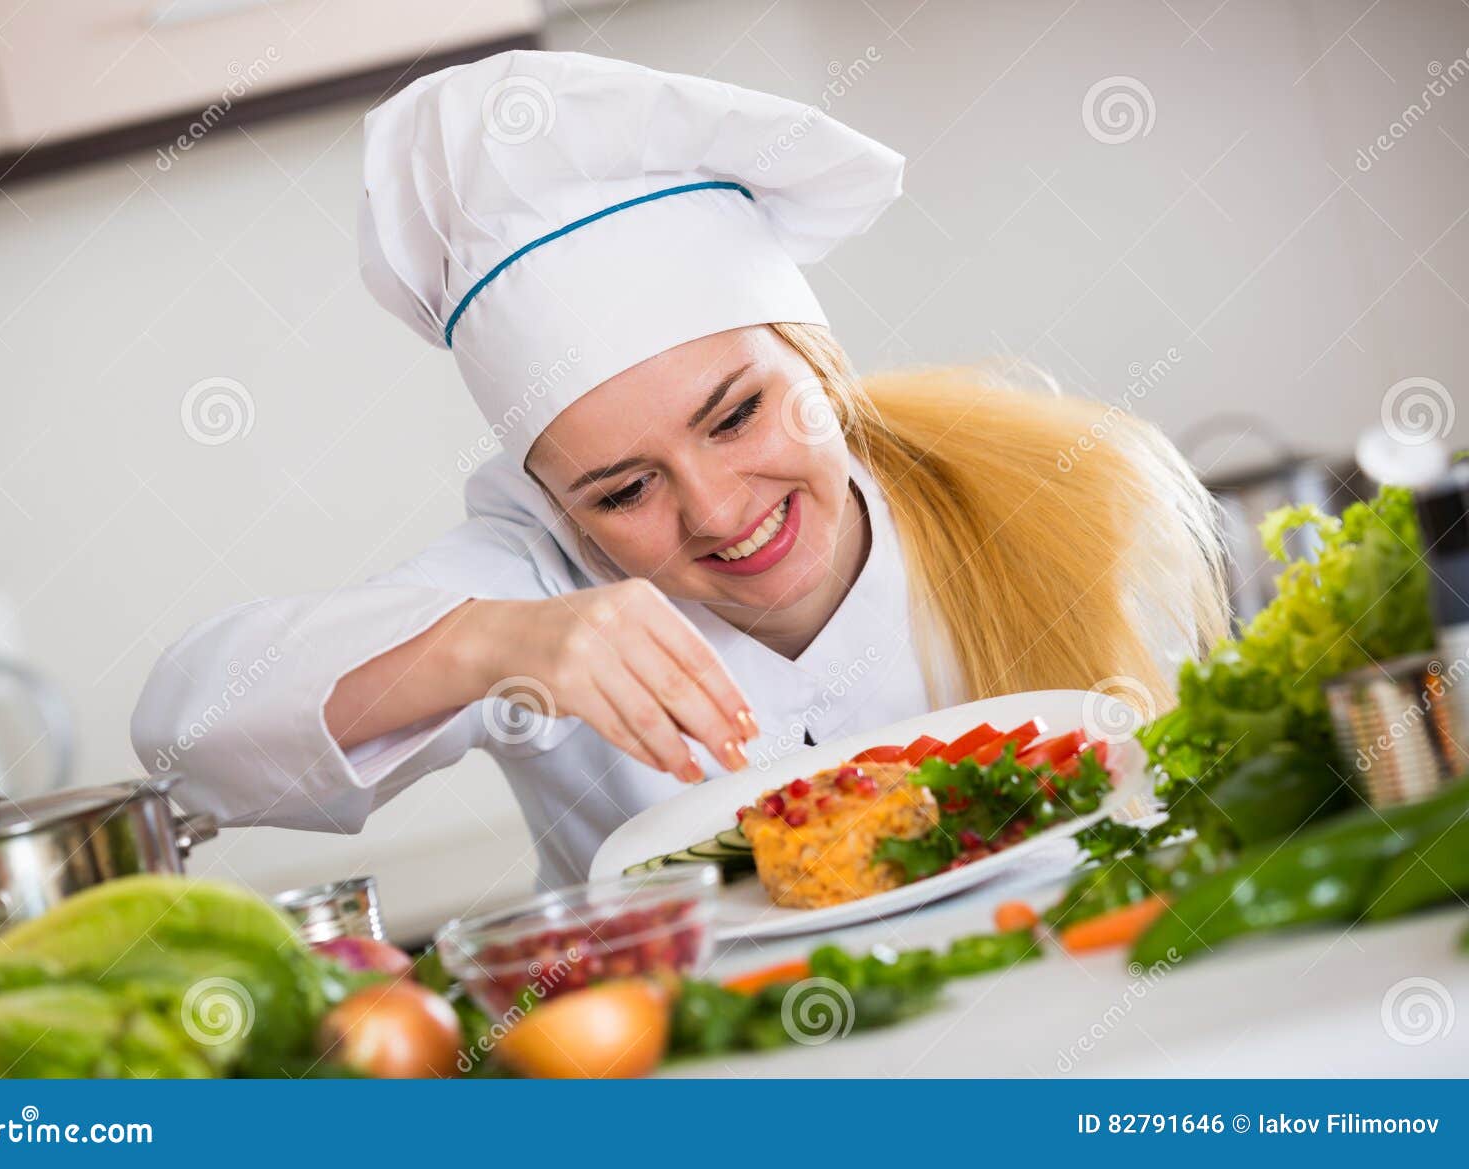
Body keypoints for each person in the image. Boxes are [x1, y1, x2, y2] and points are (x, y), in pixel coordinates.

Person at [132, 50, 1229, 888]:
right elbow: (191, 733)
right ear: (554, 503)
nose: (715, 510)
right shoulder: (539, 584)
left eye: (737, 414)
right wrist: (486, 643)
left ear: (817, 358)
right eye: (622, 489)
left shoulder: (1051, 492)